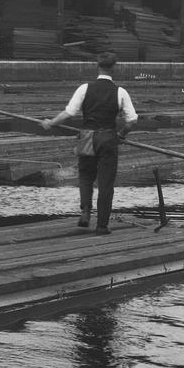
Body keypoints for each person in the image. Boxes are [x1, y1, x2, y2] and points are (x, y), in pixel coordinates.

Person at [41, 51, 138, 235]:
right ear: (113, 68)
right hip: (109, 138)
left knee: (85, 176)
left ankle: (85, 211)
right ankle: (102, 226)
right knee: (106, 184)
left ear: (98, 66)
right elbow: (132, 121)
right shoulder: (120, 92)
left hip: (87, 137)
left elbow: (69, 113)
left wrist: (50, 123)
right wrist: (121, 135)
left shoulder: (84, 88)